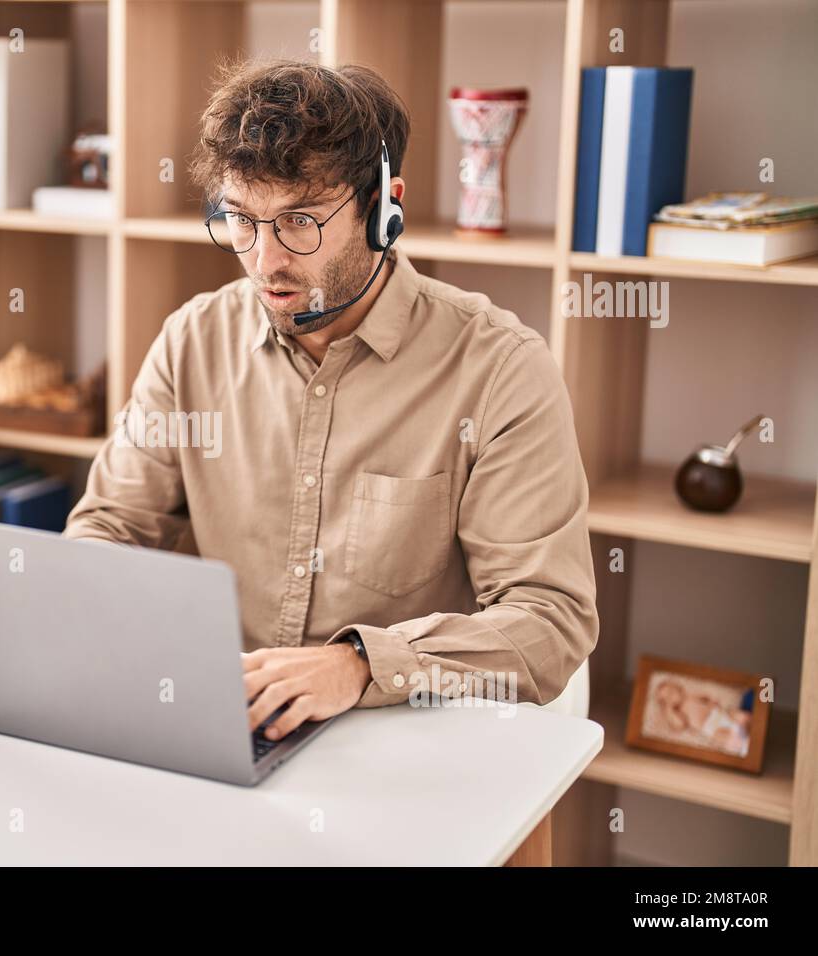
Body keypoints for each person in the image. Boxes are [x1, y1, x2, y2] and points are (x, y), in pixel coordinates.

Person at [63, 59, 599, 742]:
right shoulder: (192, 340)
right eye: (241, 220)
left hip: (407, 736)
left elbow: (550, 620)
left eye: (299, 222)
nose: (265, 262)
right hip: (228, 723)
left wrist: (359, 665)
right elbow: (111, 526)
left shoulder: (500, 370)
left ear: (384, 208)